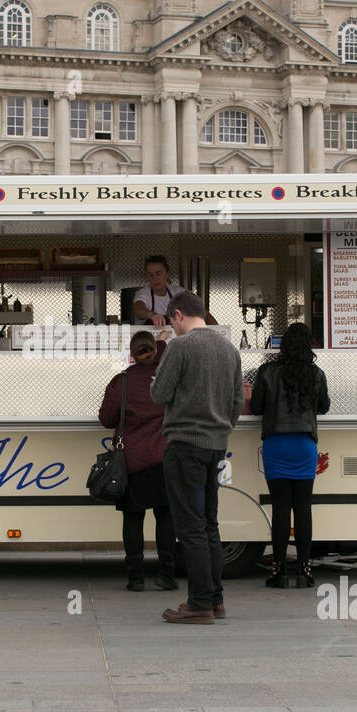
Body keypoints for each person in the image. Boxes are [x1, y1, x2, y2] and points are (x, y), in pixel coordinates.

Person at [150, 291, 244, 625]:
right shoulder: (229, 350)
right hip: (216, 445)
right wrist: (220, 430)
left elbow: (159, 394)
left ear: (177, 316)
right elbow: (236, 403)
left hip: (185, 444)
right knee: (209, 524)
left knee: (189, 528)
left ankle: (200, 604)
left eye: (173, 322)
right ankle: (215, 599)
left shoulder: (179, 347)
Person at [248, 323, 331, 589]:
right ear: (308, 345)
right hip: (305, 445)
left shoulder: (267, 372)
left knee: (281, 508)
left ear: (283, 346)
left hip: (276, 444)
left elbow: (258, 406)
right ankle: (305, 572)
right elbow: (324, 407)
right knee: (303, 508)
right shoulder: (316, 374)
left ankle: (279, 571)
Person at [98, 331, 177, 592]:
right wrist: (162, 339)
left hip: (131, 462)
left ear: (131, 355)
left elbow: (107, 418)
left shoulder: (122, 382)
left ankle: (136, 578)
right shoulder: (167, 380)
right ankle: (167, 574)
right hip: (165, 459)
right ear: (156, 352)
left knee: (133, 519)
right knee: (165, 518)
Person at [132, 256, 218, 327]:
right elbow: (138, 309)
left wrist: (217, 331)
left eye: (158, 273)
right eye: (150, 274)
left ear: (167, 274)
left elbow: (202, 311)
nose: (154, 278)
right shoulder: (143, 294)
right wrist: (152, 315)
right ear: (146, 276)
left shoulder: (178, 293)